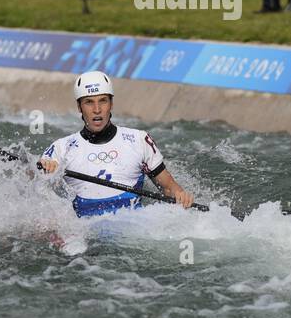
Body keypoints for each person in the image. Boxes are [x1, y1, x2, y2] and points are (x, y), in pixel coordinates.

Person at [38, 71, 194, 217]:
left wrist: (181, 196)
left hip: (133, 230)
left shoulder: (139, 140)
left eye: (103, 101)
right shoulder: (61, 148)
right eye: (89, 102)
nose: (97, 109)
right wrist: (45, 169)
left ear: (111, 104)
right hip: (84, 232)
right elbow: (35, 188)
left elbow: (168, 187)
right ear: (79, 107)